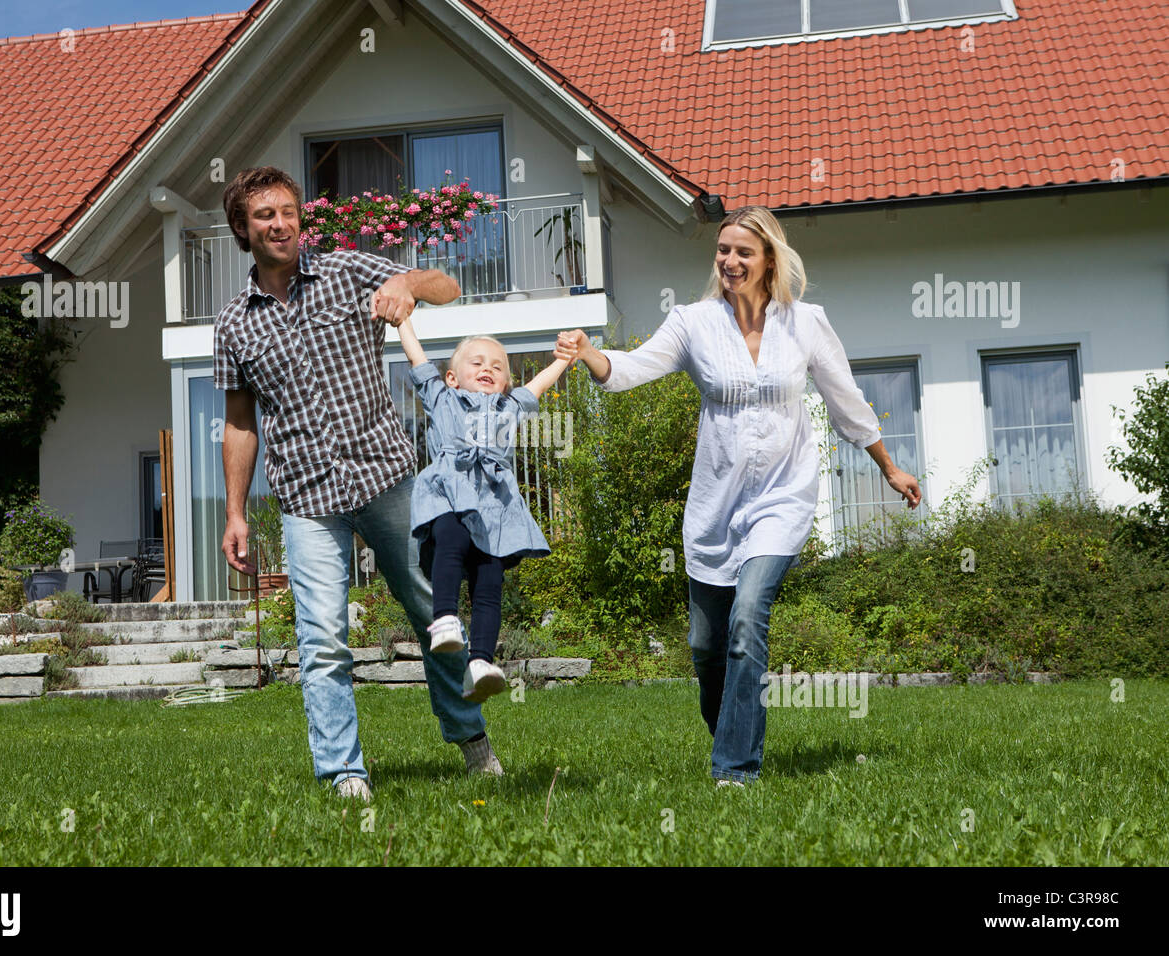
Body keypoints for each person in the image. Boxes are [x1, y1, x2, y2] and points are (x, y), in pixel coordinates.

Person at [556, 205, 921, 787]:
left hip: (783, 496)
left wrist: (889, 467)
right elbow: (632, 367)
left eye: (742, 252)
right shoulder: (693, 323)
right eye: (722, 250)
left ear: (769, 259)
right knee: (706, 649)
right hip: (715, 506)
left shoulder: (805, 322)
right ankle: (735, 732)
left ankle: (734, 769)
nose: (728, 261)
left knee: (749, 619)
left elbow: (844, 397)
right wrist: (588, 353)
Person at [214, 166, 502, 804]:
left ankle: (470, 738)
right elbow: (239, 424)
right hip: (305, 498)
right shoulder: (234, 323)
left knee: (435, 610)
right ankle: (345, 774)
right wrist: (235, 512)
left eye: (288, 211)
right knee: (320, 639)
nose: (281, 223)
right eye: (265, 216)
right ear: (243, 228)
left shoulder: (347, 271)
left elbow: (446, 286)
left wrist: (404, 281)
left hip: (387, 477)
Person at [394, 316, 569, 702]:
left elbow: (537, 386)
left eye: (497, 366)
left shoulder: (509, 407)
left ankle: (480, 664)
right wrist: (403, 320)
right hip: (451, 496)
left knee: (490, 583)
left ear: (506, 383)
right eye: (476, 363)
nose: (487, 369)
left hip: (495, 511)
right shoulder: (443, 398)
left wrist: (564, 359)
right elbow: (419, 362)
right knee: (451, 539)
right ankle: (444, 621)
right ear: (453, 377)